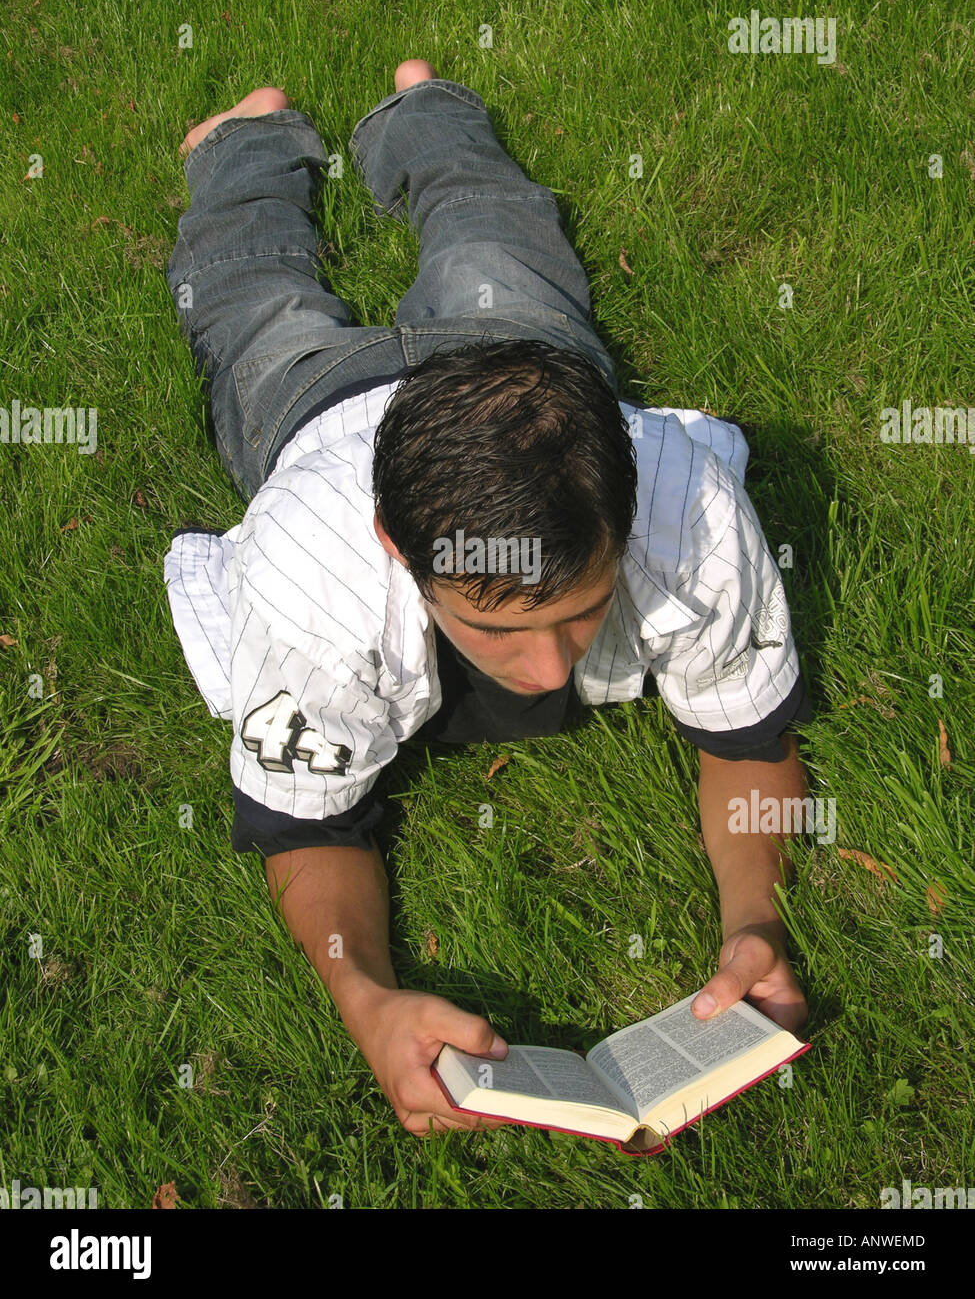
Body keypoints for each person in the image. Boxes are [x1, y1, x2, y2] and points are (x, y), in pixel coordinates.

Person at [164, 60, 812, 1137]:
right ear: (395, 552)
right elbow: (299, 820)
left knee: (493, 229)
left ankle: (424, 105)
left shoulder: (680, 509)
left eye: (581, 610)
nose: (555, 670)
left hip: (525, 368)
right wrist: (363, 998)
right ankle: (247, 142)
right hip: (318, 412)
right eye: (500, 628)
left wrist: (756, 921)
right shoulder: (313, 576)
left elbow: (751, 738)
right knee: (253, 308)